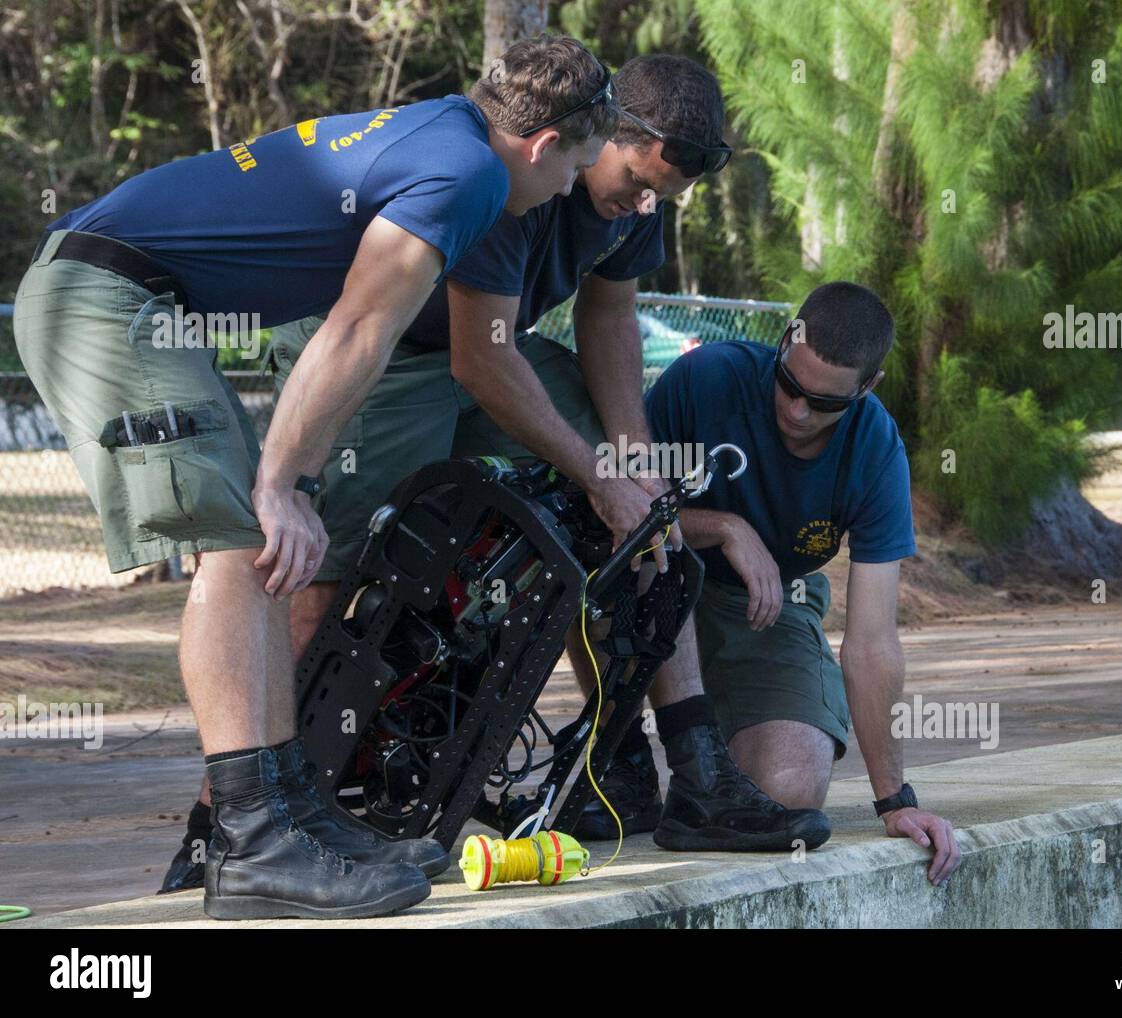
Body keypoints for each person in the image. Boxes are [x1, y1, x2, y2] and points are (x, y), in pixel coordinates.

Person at [160, 54, 830, 889]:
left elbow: (611, 310)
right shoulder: (514, 176)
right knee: (321, 587)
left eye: (663, 192)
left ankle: (682, 766)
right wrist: (595, 470)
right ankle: (224, 829)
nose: (644, 202)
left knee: (642, 518)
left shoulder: (638, 190)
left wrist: (630, 459)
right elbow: (480, 359)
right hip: (393, 355)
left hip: (492, 351)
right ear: (603, 137)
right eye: (633, 179)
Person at [17, 33, 617, 919]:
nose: (571, 188)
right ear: (542, 144)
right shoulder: (471, 174)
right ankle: (252, 843)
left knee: (257, 549)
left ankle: (288, 814)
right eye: (578, 165)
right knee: (236, 545)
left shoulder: (444, 134)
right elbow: (356, 333)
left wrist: (283, 484)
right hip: (107, 297)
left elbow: (351, 337)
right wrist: (284, 481)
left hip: (140, 298)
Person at [599, 282, 960, 885]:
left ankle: (703, 793)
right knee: (647, 555)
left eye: (823, 403)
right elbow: (619, 502)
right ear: (787, 338)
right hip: (658, 581)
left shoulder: (875, 448)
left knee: (789, 792)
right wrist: (724, 527)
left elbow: (872, 642)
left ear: (867, 387)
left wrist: (895, 801)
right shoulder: (706, 378)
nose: (797, 412)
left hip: (765, 608)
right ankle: (627, 754)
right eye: (791, 386)